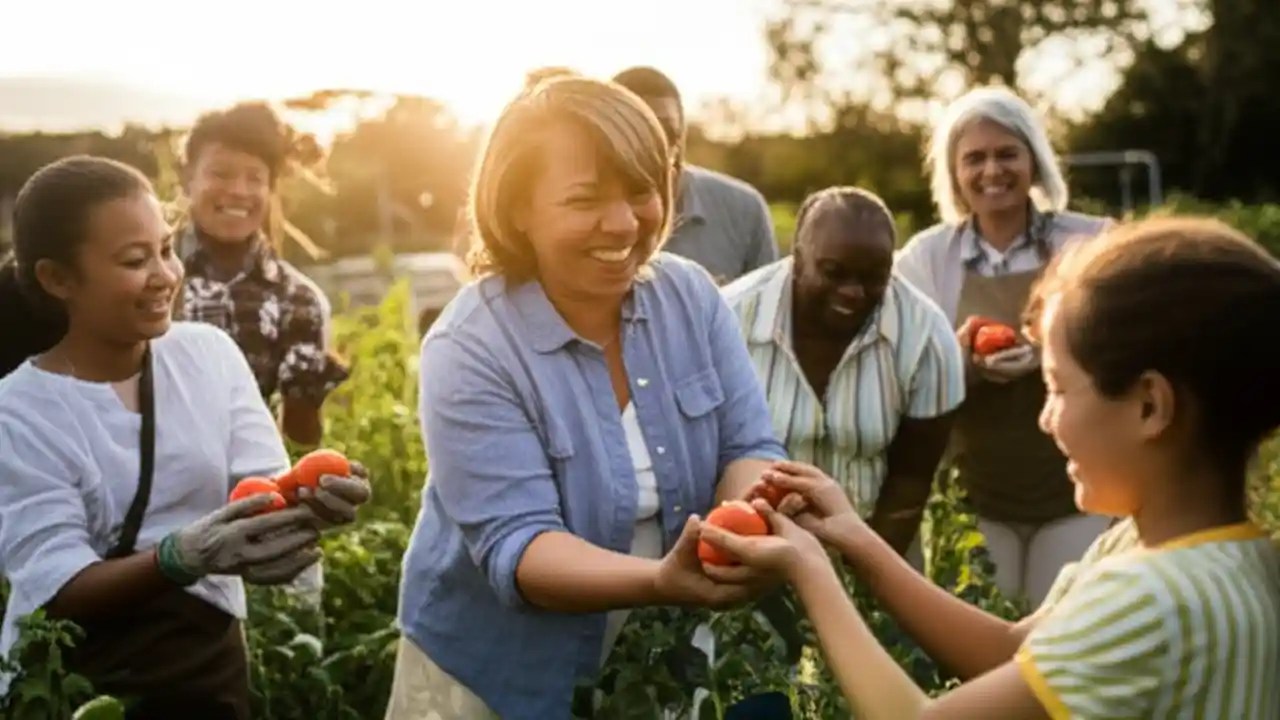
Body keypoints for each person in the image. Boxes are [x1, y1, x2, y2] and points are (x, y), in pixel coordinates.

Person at [702, 216, 1280, 719]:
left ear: (1150, 406)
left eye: (1057, 389)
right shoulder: (1175, 552)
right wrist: (854, 535)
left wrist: (809, 566)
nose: (1047, 420)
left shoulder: (1154, 601)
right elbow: (1010, 648)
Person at [387, 76, 787, 720]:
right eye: (584, 200)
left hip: (658, 666)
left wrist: (738, 532)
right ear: (519, 209)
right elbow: (519, 546)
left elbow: (749, 447)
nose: (626, 223)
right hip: (500, 675)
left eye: (642, 190)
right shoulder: (471, 345)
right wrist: (664, 581)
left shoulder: (690, 297)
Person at [0, 156, 372, 718]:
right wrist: (176, 558)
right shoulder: (18, 411)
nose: (166, 276)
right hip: (80, 684)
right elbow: (58, 586)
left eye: (167, 249)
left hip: (209, 664)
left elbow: (258, 486)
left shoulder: (207, 354)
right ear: (58, 279)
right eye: (134, 260)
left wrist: (309, 498)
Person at [894, 85, 1114, 606]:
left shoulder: (1091, 244)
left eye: (1007, 154)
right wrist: (961, 363)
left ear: (1034, 162)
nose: (992, 170)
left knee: (1061, 640)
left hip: (1075, 492)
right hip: (976, 495)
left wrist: (1055, 354)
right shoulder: (926, 260)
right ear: (955, 174)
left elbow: (1126, 349)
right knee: (986, 642)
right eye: (975, 158)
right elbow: (904, 372)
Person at [724, 186, 964, 560]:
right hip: (751, 545)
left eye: (874, 277)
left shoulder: (925, 337)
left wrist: (868, 574)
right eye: (834, 273)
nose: (853, 292)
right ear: (798, 258)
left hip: (878, 542)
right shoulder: (730, 318)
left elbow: (911, 480)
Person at [176, 101, 349, 449]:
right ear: (186, 179)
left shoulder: (300, 300)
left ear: (271, 189)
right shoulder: (146, 277)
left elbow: (300, 442)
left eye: (254, 178)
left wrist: (306, 394)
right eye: (220, 173)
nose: (238, 190)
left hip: (249, 491)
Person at [612, 66, 779, 284]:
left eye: (665, 132)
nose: (652, 148)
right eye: (633, 132)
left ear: (682, 139)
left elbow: (768, 310)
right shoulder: (586, 219)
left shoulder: (744, 210)